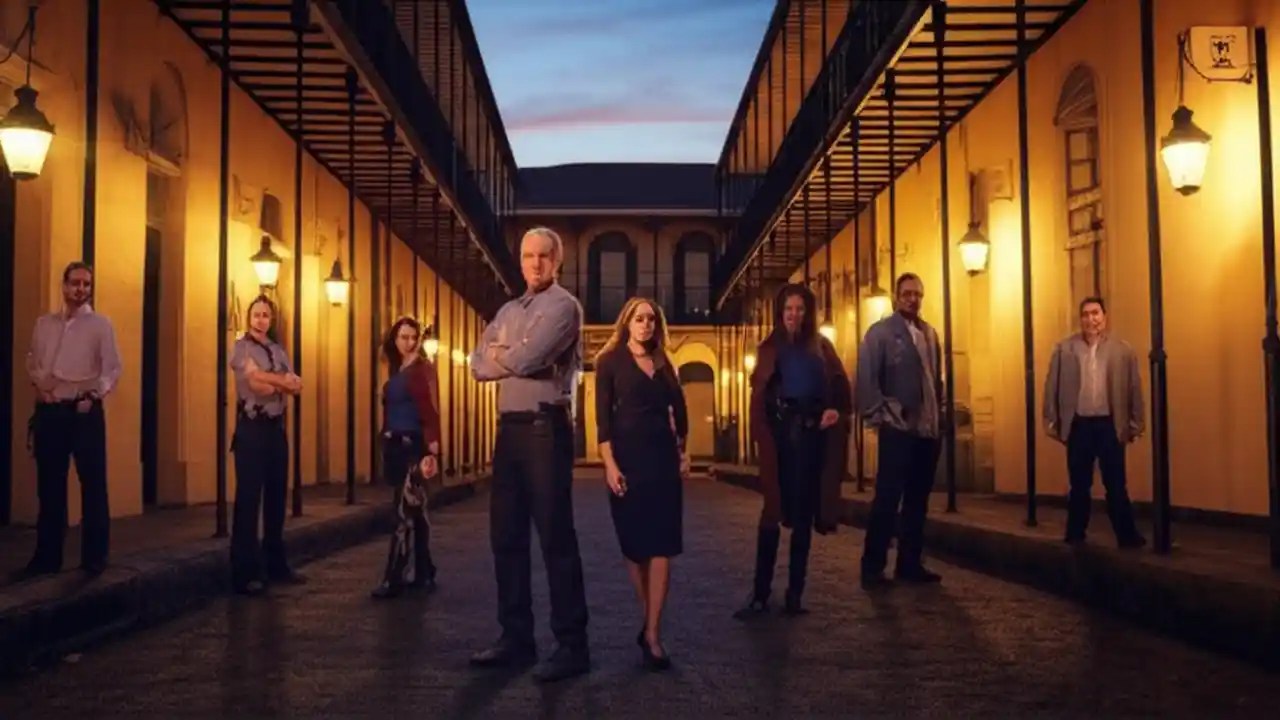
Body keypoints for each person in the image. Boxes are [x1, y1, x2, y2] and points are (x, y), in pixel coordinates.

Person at [468, 227, 589, 683]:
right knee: (506, 537)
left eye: (543, 256)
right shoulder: (506, 310)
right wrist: (510, 354)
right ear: (519, 261)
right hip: (508, 431)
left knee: (555, 538)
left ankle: (572, 645)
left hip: (544, 429)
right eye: (527, 256)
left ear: (557, 261)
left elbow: (527, 359)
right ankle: (516, 639)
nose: (535, 264)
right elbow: (476, 363)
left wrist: (506, 354)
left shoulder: (563, 307)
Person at [734, 284, 851, 619]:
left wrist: (834, 410)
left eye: (799, 309)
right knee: (772, 512)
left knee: (804, 517)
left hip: (813, 438)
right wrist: (764, 436)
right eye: (788, 309)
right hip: (781, 438)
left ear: (807, 312)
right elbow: (760, 397)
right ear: (780, 312)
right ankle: (760, 593)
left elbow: (841, 388)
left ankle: (795, 594)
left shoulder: (822, 348)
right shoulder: (770, 348)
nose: (794, 315)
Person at [595, 297, 690, 671]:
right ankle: (649, 615)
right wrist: (609, 465)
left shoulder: (665, 363)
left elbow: (680, 410)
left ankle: (652, 633)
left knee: (662, 544)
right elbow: (602, 421)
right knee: (635, 547)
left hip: (662, 462)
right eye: (639, 318)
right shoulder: (609, 362)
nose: (646, 324)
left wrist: (683, 450)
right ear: (627, 323)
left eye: (651, 318)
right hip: (627, 462)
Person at [17, 261, 121, 580]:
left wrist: (95, 394)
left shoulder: (101, 325)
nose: (81, 289)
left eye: (86, 284)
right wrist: (40, 387)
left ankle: (94, 558)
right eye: (75, 283)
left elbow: (112, 367)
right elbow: (32, 360)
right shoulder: (44, 324)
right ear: (64, 286)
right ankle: (47, 558)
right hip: (51, 411)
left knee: (93, 485)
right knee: (49, 486)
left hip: (83, 410)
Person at [855, 272, 944, 589]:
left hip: (927, 429)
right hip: (898, 427)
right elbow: (867, 377)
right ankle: (873, 566)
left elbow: (935, 378)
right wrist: (881, 414)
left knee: (918, 500)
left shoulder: (930, 334)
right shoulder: (880, 333)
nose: (912, 299)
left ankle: (910, 563)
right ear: (896, 297)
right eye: (907, 293)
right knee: (888, 498)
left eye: (917, 294)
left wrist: (938, 416)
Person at [1043, 297, 1147, 548]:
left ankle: (1127, 536)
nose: (1091, 319)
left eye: (1096, 313)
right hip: (1079, 425)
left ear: (1104, 316)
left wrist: (1137, 422)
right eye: (1086, 314)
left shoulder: (1122, 350)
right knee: (1079, 484)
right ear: (1081, 319)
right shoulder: (1064, 350)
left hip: (1109, 425)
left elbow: (1133, 387)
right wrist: (1051, 420)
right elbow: (1051, 386)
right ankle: (1075, 533)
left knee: (1116, 483)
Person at [228, 295, 305, 596]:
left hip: (276, 429)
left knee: (276, 498)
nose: (261, 319)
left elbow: (296, 385)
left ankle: (275, 565)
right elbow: (255, 385)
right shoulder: (241, 348)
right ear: (249, 317)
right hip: (252, 428)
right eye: (256, 314)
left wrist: (269, 378)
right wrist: (280, 381)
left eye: (266, 315)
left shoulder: (278, 349)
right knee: (249, 500)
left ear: (271, 319)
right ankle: (244, 571)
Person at [372, 317, 442, 599]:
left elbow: (431, 409)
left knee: (402, 512)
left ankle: (394, 577)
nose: (409, 342)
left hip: (414, 444)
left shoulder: (422, 369)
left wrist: (431, 449)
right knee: (416, 510)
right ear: (394, 338)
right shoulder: (395, 367)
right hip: (395, 445)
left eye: (414, 337)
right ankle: (424, 571)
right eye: (404, 337)